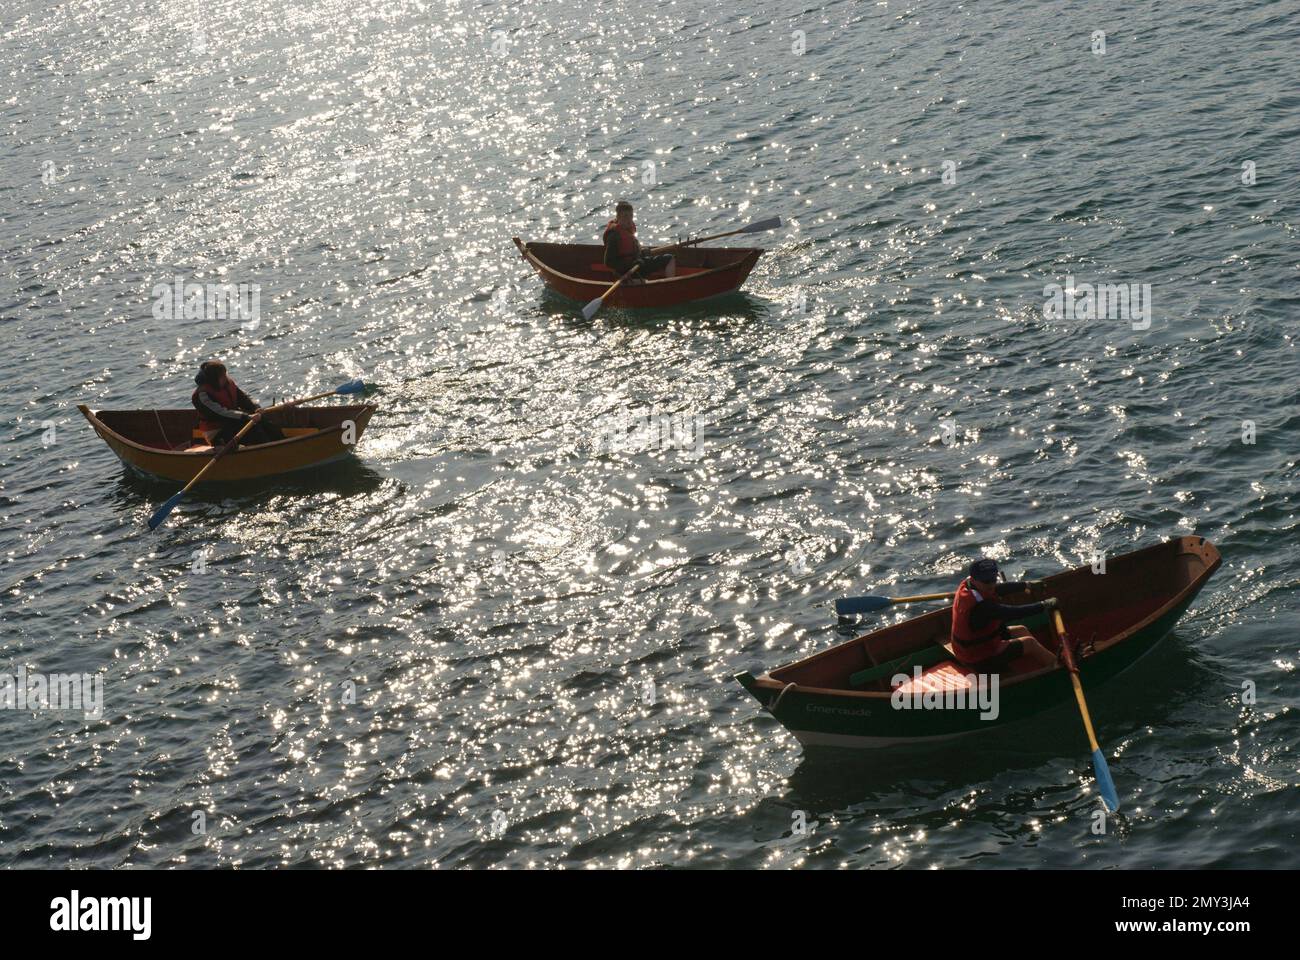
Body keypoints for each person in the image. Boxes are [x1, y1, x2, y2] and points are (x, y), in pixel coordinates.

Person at [950, 558, 1059, 673]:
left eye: (993, 579)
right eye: (986, 581)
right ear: (973, 579)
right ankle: (1060, 668)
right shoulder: (982, 606)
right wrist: (1044, 605)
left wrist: (1026, 585)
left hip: (974, 647)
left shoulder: (969, 585)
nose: (991, 584)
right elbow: (1013, 612)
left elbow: (998, 589)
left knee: (1021, 629)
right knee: (1029, 643)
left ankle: (1041, 662)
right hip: (976, 658)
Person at [191, 361, 284, 447]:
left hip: (234, 421)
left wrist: (255, 408)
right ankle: (267, 451)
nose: (225, 377)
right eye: (222, 376)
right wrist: (247, 416)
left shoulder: (227, 384)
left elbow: (243, 398)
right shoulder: (202, 395)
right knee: (255, 430)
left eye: (225, 374)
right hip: (217, 432)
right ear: (214, 379)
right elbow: (221, 413)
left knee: (265, 422)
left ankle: (281, 444)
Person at [602, 201, 676, 283]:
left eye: (631, 216)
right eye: (625, 216)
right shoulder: (614, 236)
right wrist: (631, 264)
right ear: (618, 217)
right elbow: (608, 262)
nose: (629, 220)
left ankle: (670, 284)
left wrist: (642, 251)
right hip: (626, 272)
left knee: (669, 258)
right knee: (644, 282)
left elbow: (634, 250)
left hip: (638, 264)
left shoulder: (628, 230)